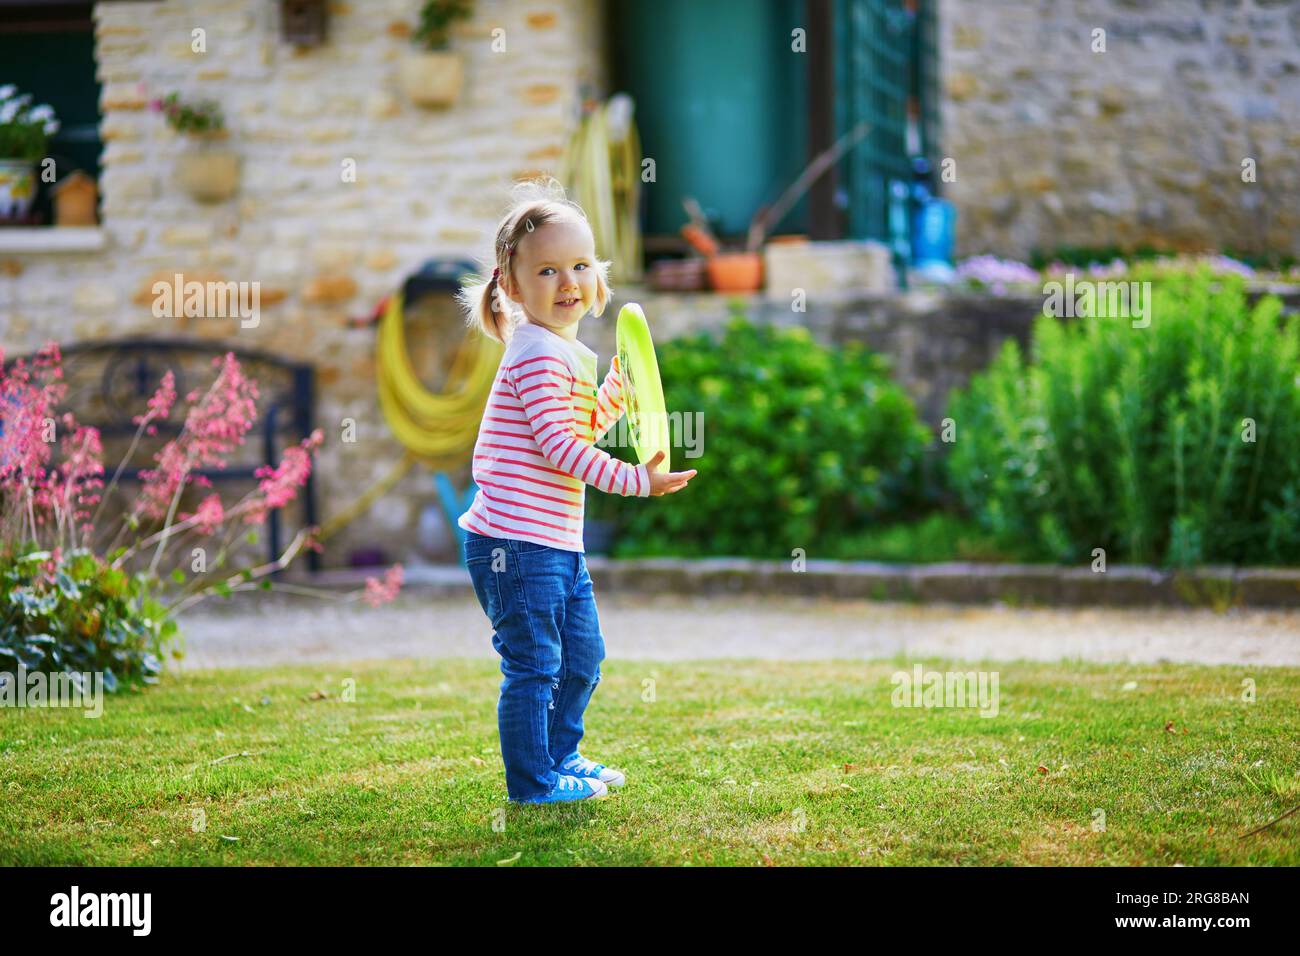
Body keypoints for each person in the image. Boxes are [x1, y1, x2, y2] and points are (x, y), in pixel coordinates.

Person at [455, 177, 696, 803]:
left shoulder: (567, 351)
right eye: (547, 270)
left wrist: (623, 385)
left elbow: (578, 425)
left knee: (582, 657)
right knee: (535, 666)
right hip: (515, 543)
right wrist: (638, 483)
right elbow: (565, 451)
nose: (567, 282)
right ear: (510, 286)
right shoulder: (534, 353)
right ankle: (534, 783)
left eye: (580, 266)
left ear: (597, 277)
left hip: (553, 542)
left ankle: (560, 756)